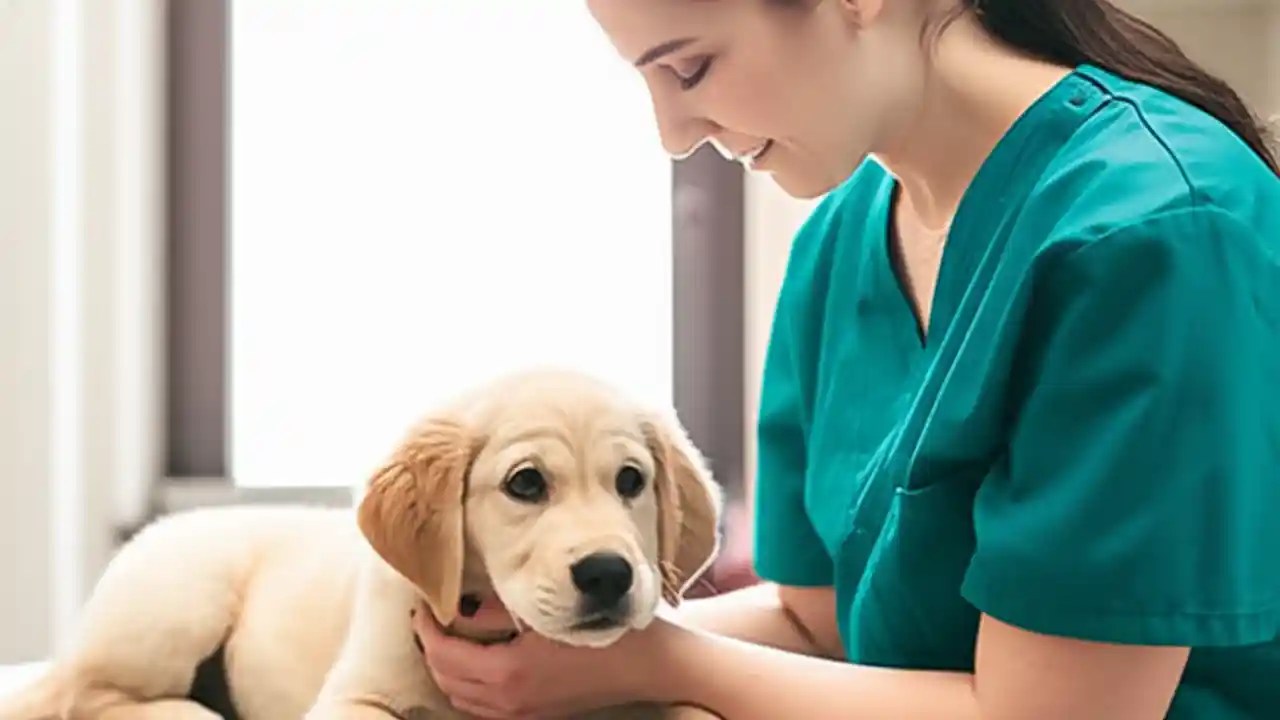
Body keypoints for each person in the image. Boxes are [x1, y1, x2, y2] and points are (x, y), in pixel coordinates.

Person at [413, 1, 1280, 718]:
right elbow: (816, 624)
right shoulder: (841, 237)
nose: (674, 136)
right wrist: (556, 640)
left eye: (689, 69)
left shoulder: (1156, 233)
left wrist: (658, 664)